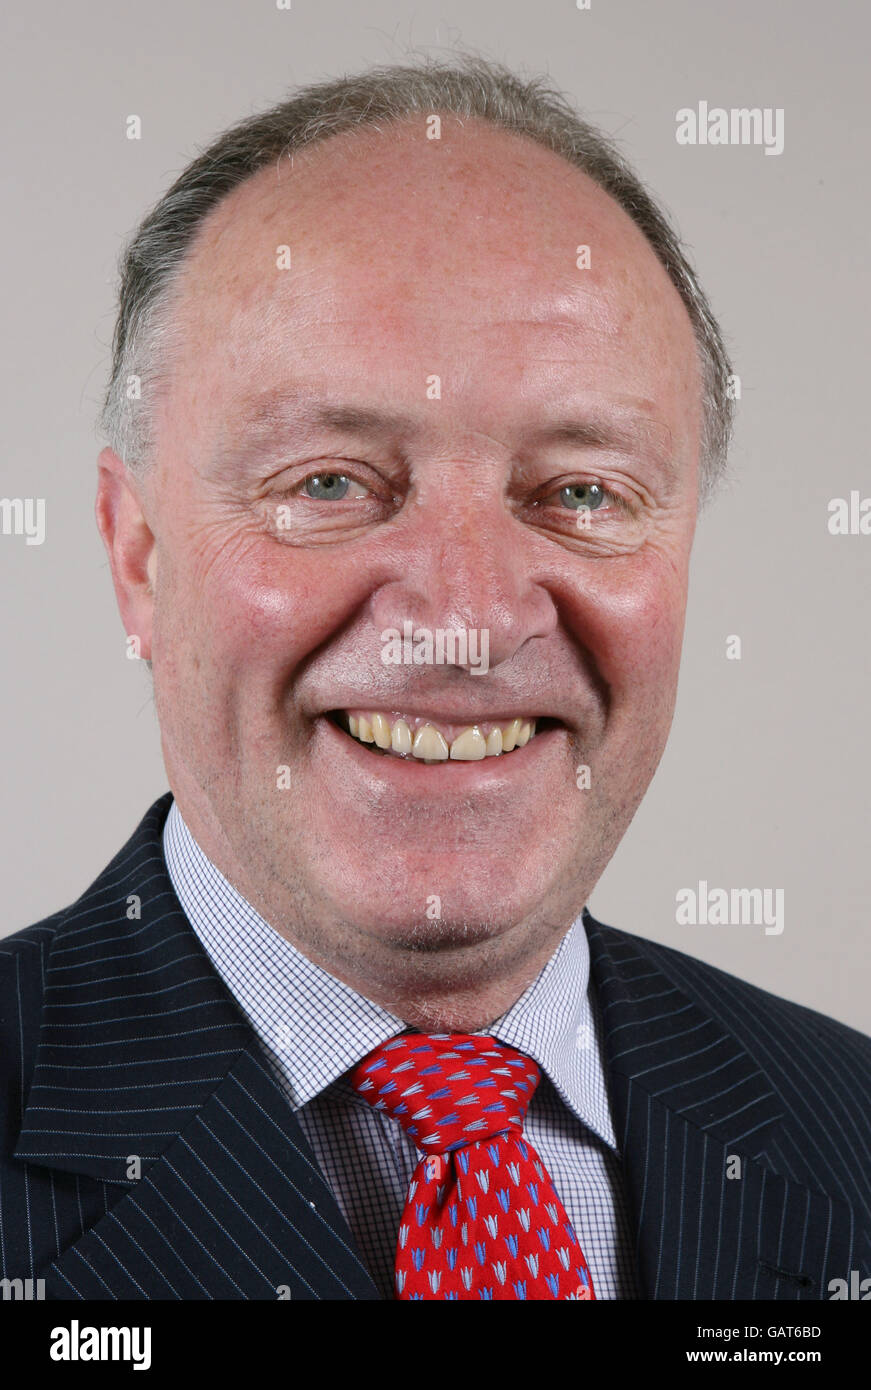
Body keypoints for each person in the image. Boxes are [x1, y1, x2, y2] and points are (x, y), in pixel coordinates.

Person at [1, 56, 868, 1302]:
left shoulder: (852, 1133)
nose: (462, 622)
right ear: (139, 557)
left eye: (579, 493)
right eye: (331, 483)